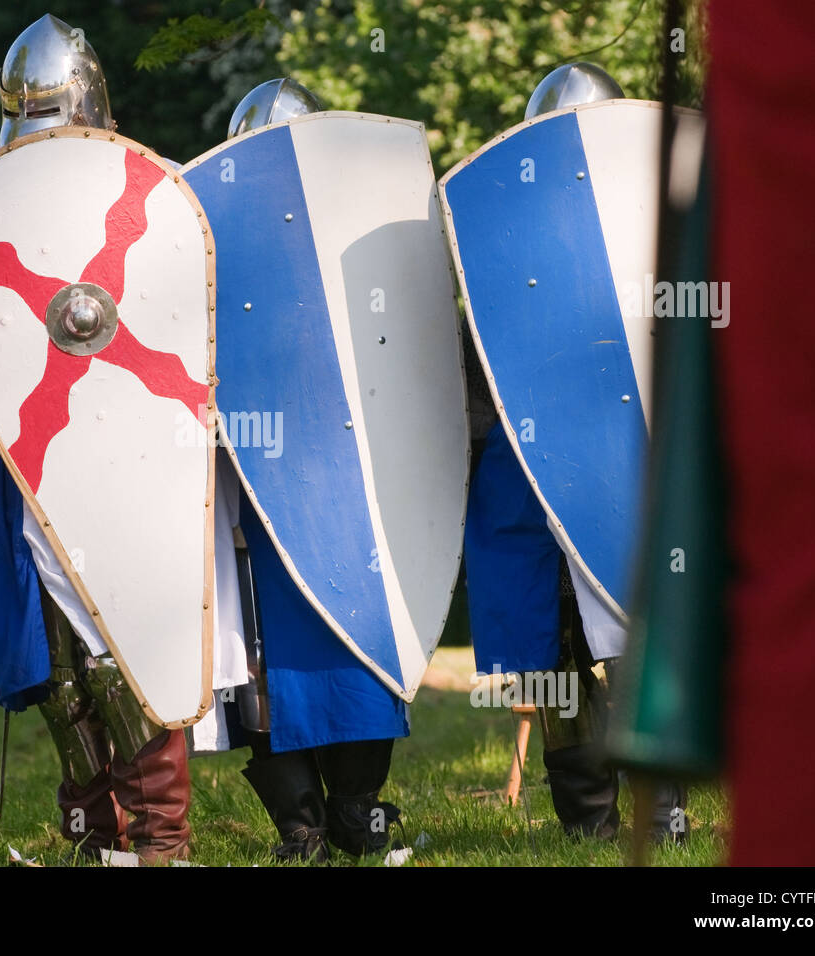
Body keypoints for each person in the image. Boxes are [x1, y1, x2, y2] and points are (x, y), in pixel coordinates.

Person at [0, 13, 196, 864]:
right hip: (27, 462)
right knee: (57, 671)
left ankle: (160, 840)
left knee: (122, 650)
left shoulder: (153, 191)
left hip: (130, 467)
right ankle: (100, 835)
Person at [462, 62, 685, 842]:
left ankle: (662, 806)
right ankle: (587, 816)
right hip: (522, 466)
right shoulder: (496, 222)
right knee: (542, 645)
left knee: (634, 628)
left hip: (625, 455)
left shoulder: (659, 211)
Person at [211, 78, 408, 864]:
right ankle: (302, 825)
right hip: (250, 480)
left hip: (352, 481)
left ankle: (355, 813)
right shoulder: (207, 237)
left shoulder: (368, 238)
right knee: (264, 657)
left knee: (355, 653)